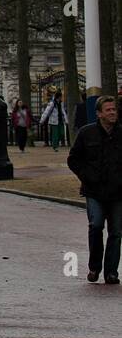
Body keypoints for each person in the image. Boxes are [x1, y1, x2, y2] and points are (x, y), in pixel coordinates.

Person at [67, 95, 121, 284]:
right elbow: (73, 159)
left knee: (116, 232)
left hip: (117, 191)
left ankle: (112, 272)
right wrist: (86, 176)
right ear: (99, 114)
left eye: (114, 109)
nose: (113, 112)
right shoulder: (86, 133)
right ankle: (94, 267)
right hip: (94, 190)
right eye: (108, 110)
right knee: (96, 225)